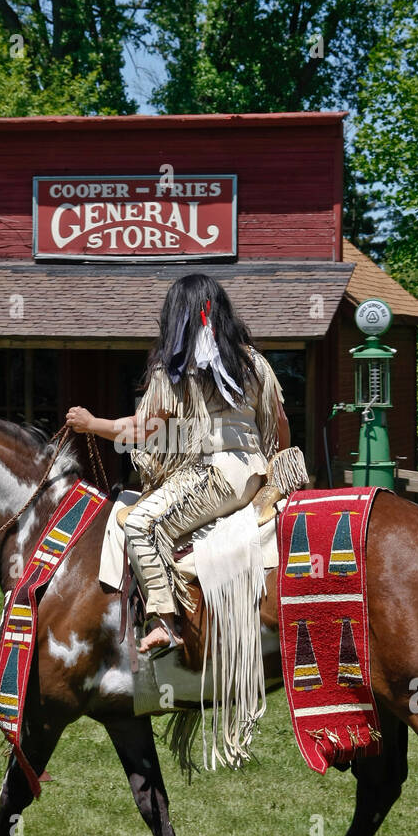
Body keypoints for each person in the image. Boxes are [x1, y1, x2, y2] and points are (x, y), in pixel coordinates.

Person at [66, 274, 290, 655]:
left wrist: (91, 424)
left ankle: (165, 623)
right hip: (252, 475)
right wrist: (276, 476)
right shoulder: (254, 362)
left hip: (213, 475)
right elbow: (280, 427)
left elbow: (139, 429)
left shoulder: (178, 368)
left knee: (138, 522)